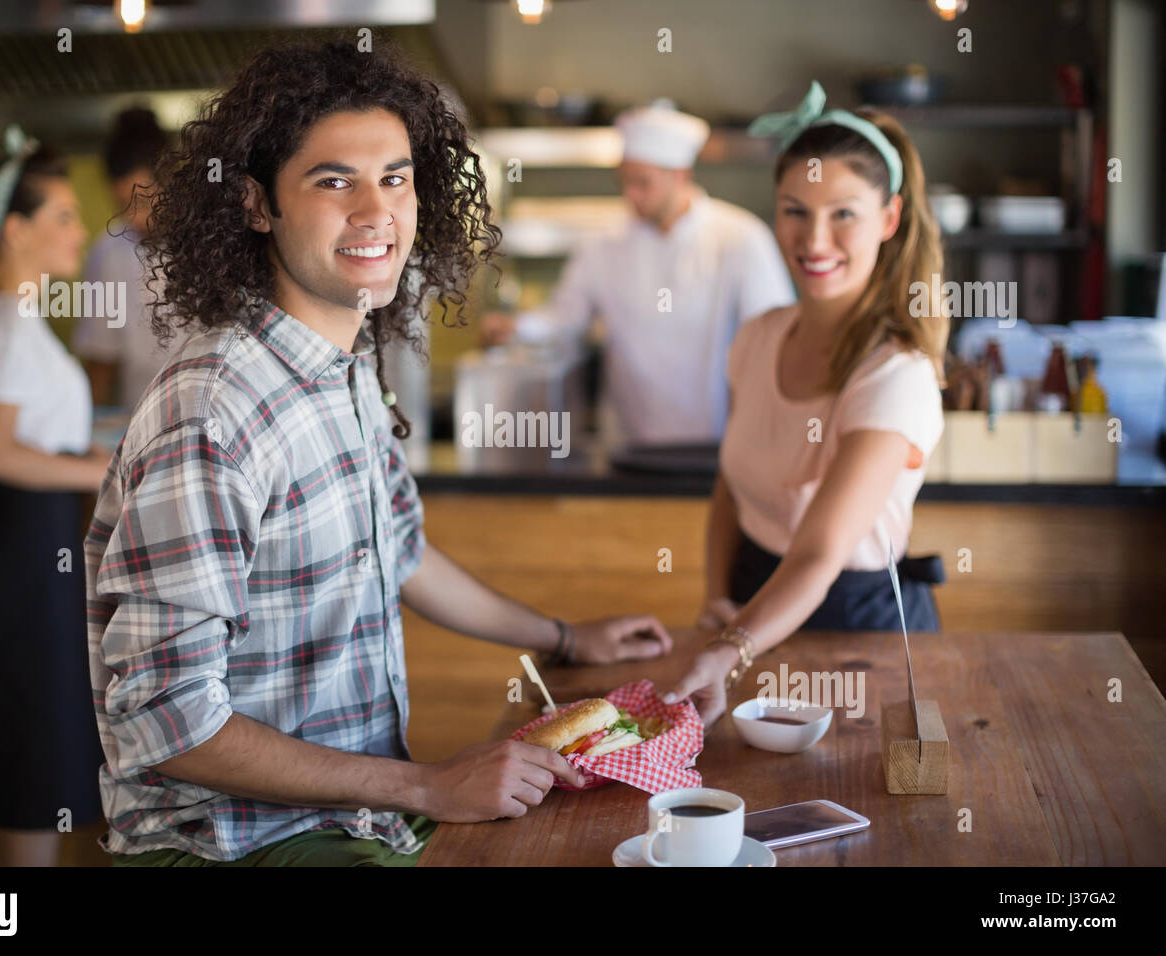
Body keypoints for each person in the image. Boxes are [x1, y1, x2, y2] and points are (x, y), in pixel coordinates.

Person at [84, 39, 673, 868]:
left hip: (360, 819)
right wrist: (429, 785)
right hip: (233, 846)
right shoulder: (213, 414)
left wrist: (566, 638)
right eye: (334, 181)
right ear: (257, 205)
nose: (378, 211)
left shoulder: (347, 364)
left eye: (395, 178)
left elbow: (402, 554)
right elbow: (170, 722)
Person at [663, 82, 948, 727]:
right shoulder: (759, 338)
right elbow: (729, 488)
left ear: (889, 219)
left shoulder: (894, 374)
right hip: (754, 611)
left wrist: (731, 645)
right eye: (795, 210)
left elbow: (820, 553)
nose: (814, 239)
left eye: (843, 213)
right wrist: (718, 599)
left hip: (855, 627)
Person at [0, 133, 111, 866]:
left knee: (45, 771)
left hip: (28, 567)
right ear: (17, 229)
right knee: (35, 773)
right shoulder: (7, 325)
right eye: (66, 216)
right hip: (18, 573)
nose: (80, 232)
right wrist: (102, 473)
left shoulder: (1, 320)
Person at [484, 101, 795, 446]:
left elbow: (774, 340)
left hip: (717, 442)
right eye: (625, 182)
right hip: (628, 441)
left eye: (643, 183)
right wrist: (519, 327)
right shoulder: (602, 244)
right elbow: (567, 316)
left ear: (680, 175)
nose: (630, 195)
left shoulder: (741, 239)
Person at [71, 107, 181, 410]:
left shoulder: (216, 241)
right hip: (139, 421)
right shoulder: (107, 255)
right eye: (123, 204)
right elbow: (101, 360)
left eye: (144, 201)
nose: (135, 217)